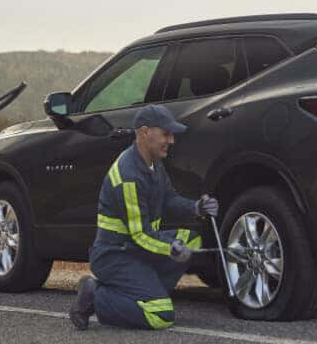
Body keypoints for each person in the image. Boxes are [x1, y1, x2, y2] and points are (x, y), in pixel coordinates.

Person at [69, 105, 220, 331]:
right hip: (116, 255)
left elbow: (169, 199)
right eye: (166, 134)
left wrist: (197, 207)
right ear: (144, 132)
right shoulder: (128, 176)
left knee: (191, 240)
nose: (171, 140)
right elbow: (139, 235)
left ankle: (145, 291)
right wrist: (170, 247)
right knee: (160, 315)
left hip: (136, 250)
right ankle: (95, 295)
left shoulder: (153, 163)